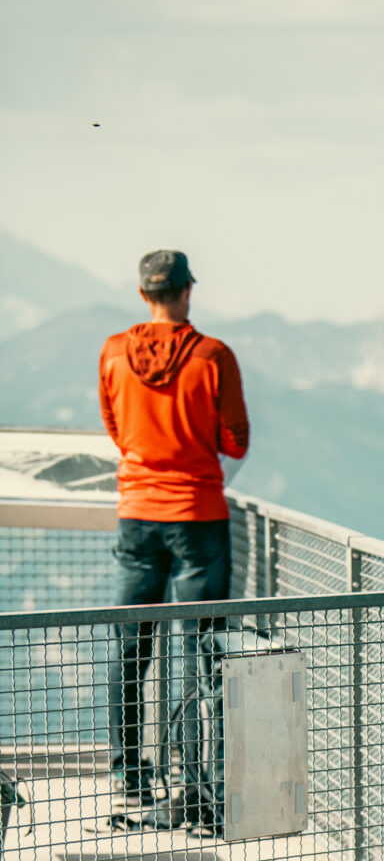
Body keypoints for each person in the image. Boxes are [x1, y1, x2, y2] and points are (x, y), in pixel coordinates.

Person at [99, 249, 250, 831]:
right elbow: (234, 441)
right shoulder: (213, 357)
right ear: (189, 290)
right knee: (198, 649)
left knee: (129, 646)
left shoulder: (114, 353)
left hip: (136, 512)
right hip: (197, 516)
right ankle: (194, 785)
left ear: (143, 294)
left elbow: (115, 427)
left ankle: (129, 776)